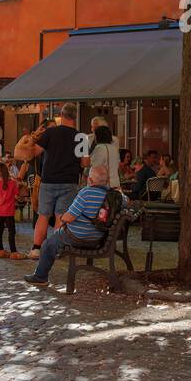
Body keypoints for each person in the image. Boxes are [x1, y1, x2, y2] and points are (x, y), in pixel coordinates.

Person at [25, 163, 115, 287]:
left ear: (90, 179)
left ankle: (40, 277)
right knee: (57, 238)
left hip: (76, 237)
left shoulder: (86, 193)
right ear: (107, 180)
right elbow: (125, 201)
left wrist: (62, 220)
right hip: (98, 239)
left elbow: (68, 217)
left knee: (47, 244)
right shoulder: (111, 195)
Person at [23, 104, 90, 260]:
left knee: (43, 215)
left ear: (61, 114)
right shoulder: (81, 137)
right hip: (69, 181)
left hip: (48, 180)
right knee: (61, 216)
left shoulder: (50, 132)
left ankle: (36, 249)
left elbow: (35, 152)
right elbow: (85, 163)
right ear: (75, 116)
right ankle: (56, 249)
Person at [0, 161, 21, 258]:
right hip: (9, 212)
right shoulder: (12, 183)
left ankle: (1, 251)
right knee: (11, 232)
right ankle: (13, 252)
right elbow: (16, 196)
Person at [88, 123, 121, 190]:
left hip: (104, 184)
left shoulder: (99, 148)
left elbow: (95, 166)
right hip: (115, 183)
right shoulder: (114, 148)